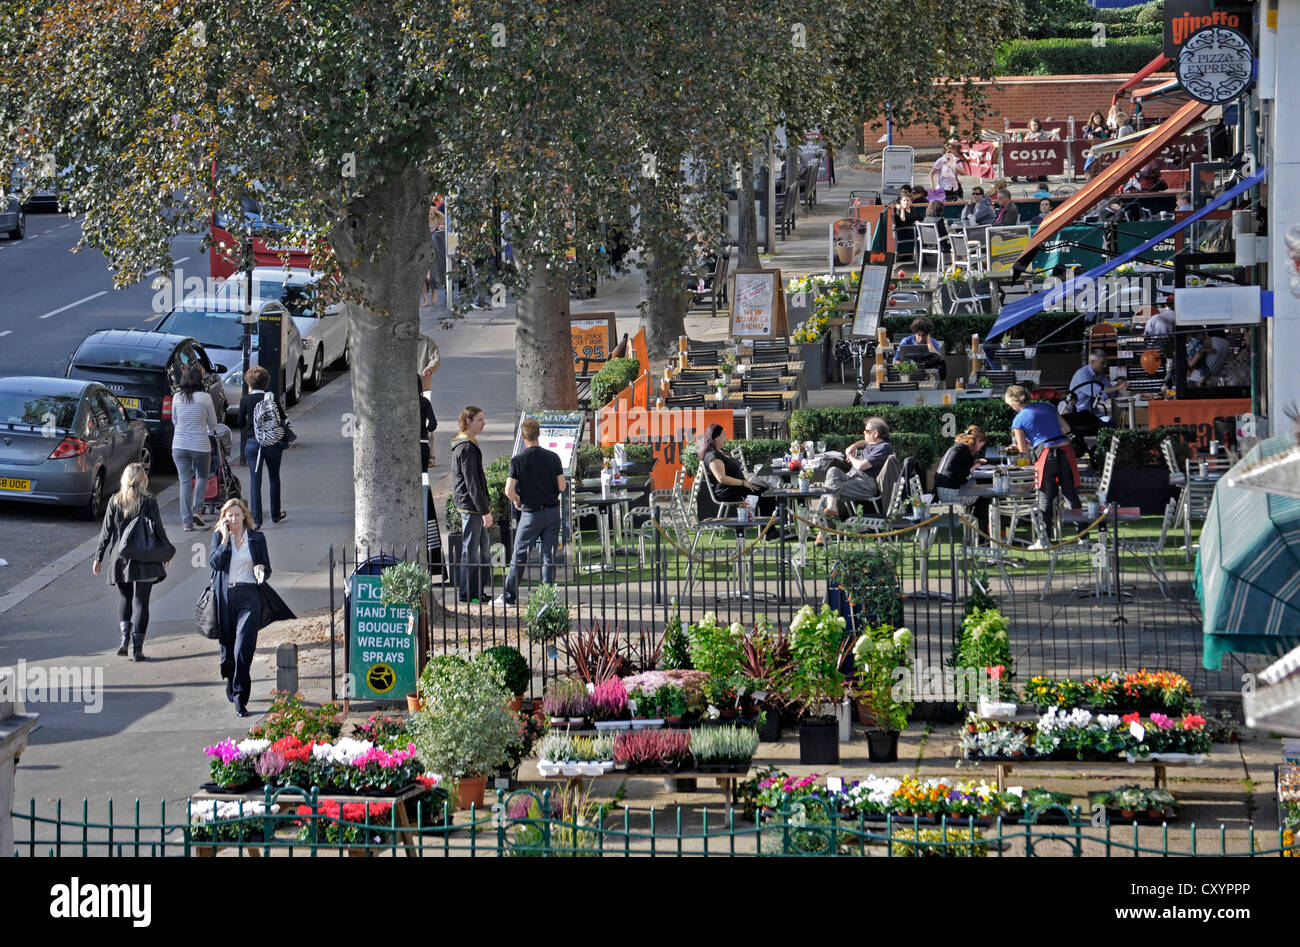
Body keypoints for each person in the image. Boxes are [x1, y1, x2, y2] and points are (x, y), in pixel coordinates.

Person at [92, 463, 172, 661]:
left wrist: (98, 558)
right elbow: (158, 530)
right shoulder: (149, 501)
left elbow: (106, 532)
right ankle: (138, 649)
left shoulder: (115, 501)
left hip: (121, 560)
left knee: (125, 598)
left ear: (124, 479)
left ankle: (124, 639)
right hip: (146, 558)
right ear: (143, 479)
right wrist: (165, 554)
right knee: (141, 602)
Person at [209, 498, 271, 717]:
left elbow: (267, 568)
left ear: (244, 516)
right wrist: (225, 541)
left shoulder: (256, 538)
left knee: (243, 648)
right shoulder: (218, 537)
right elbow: (214, 564)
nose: (232, 519)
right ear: (224, 518)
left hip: (249, 597)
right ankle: (230, 677)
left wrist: (261, 569)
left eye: (236, 515)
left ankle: (240, 697)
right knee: (228, 650)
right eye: (228, 515)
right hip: (226, 597)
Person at [495, 418, 566, 606]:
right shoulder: (553, 457)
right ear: (539, 434)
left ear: (523, 436)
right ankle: (547, 597)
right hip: (551, 512)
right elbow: (562, 485)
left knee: (519, 553)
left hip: (530, 513)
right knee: (548, 555)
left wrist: (518, 500)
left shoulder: (517, 461)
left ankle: (509, 596)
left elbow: (508, 490)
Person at [1005, 385, 1080, 550]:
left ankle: (1044, 540)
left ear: (1013, 404)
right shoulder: (1048, 406)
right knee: (1071, 494)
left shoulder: (1018, 419)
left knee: (1045, 496)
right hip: (1066, 449)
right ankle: (1083, 536)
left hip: (1046, 454)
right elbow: (1066, 429)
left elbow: (1022, 450)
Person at [815, 417, 895, 542]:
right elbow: (864, 442)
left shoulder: (884, 447)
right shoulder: (872, 443)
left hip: (867, 483)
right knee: (832, 471)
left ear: (876, 433)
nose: (864, 433)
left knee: (832, 489)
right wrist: (854, 446)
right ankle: (831, 509)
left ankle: (820, 524)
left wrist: (850, 456)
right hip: (853, 477)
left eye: (867, 431)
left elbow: (860, 466)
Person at [237, 364, 288, 529]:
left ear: (249, 383)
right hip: (272, 442)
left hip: (253, 443)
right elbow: (282, 416)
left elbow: (239, 423)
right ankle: (275, 514)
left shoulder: (245, 399)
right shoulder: (271, 398)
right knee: (274, 478)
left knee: (255, 480)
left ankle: (257, 520)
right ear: (266, 383)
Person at [452, 405, 493, 603]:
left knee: (483, 550)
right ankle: (467, 593)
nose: (484, 423)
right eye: (480, 419)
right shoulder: (466, 447)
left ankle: (477, 591)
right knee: (471, 551)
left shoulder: (468, 445)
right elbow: (472, 483)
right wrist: (484, 510)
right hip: (472, 507)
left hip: (474, 506)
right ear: (468, 421)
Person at [171, 362, 218, 532]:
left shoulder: (177, 397)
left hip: (179, 445)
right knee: (202, 477)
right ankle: (197, 511)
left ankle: (187, 523)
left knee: (184, 482)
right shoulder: (205, 398)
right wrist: (205, 428)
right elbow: (213, 423)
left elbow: (174, 421)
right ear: (199, 380)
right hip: (200, 445)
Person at [698, 424, 775, 519]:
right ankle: (769, 530)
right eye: (723, 435)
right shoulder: (712, 456)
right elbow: (722, 478)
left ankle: (768, 529)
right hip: (729, 491)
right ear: (716, 438)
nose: (725, 438)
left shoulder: (719, 452)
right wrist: (743, 483)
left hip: (737, 488)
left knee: (766, 490)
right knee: (765, 495)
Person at [1064, 351, 1128, 454]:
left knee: (1112, 423)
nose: (1105, 366)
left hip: (1091, 413)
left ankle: (1107, 452)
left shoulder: (1100, 375)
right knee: (1108, 425)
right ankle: (1104, 453)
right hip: (1078, 415)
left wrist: (1117, 386)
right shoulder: (1082, 374)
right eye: (1102, 363)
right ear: (1092, 362)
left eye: (1106, 363)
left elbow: (1109, 392)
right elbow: (1097, 392)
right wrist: (1119, 387)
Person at [933, 424, 991, 526]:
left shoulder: (959, 448)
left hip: (943, 490)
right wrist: (972, 469)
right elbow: (950, 468)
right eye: (981, 443)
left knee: (981, 491)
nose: (980, 447)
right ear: (976, 440)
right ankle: (981, 533)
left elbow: (954, 466)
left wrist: (974, 463)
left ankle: (979, 533)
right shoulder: (961, 449)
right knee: (984, 495)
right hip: (949, 494)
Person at [893, 316, 947, 381]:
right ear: (914, 332)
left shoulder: (933, 342)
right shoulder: (906, 341)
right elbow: (895, 361)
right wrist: (908, 367)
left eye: (924, 335)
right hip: (910, 374)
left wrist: (929, 342)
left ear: (928, 334)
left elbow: (939, 359)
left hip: (928, 375)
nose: (921, 338)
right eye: (918, 335)